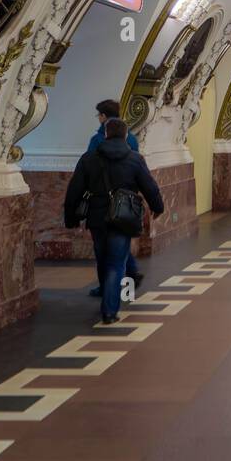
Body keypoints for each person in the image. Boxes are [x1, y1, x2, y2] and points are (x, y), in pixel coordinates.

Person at [66, 118, 163, 325]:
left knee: (102, 258)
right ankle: (110, 310)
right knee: (116, 263)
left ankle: (106, 296)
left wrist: (70, 216)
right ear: (126, 135)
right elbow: (149, 186)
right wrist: (157, 207)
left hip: (97, 218)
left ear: (106, 134)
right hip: (123, 217)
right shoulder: (135, 159)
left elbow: (74, 190)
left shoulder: (89, 159)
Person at [86, 99, 142, 297]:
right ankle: (130, 274)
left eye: (99, 115)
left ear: (103, 117)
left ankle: (108, 294)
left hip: (101, 203)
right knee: (120, 243)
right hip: (126, 201)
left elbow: (87, 169)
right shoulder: (132, 139)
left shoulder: (97, 141)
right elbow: (139, 169)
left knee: (104, 252)